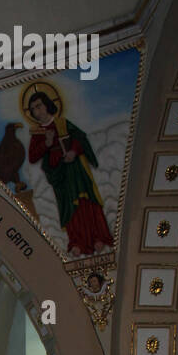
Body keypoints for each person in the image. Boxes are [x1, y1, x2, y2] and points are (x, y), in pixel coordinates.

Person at [26, 90, 113, 258]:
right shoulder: (38, 134)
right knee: (68, 207)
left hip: (75, 169)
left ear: (47, 105)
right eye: (33, 109)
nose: (37, 110)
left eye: (39, 106)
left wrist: (73, 151)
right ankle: (77, 242)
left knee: (85, 201)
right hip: (59, 174)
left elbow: (80, 138)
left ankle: (98, 237)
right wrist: (47, 143)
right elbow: (32, 156)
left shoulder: (62, 123)